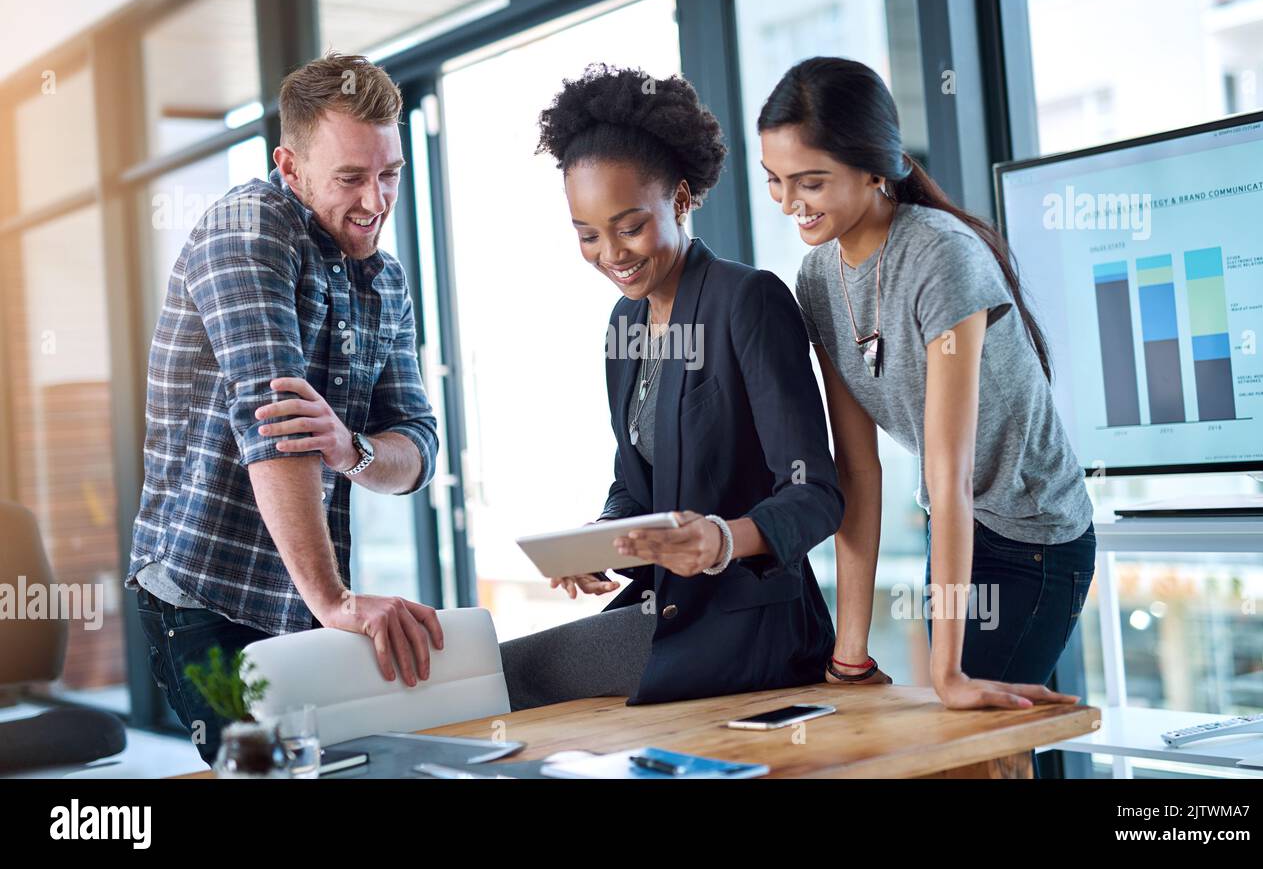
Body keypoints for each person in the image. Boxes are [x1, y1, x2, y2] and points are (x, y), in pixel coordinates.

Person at [127, 53, 443, 763]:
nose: (377, 200)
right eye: (351, 178)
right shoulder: (248, 230)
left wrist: (350, 448)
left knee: (347, 768)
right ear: (291, 167)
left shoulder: (383, 281)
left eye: (389, 173)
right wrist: (336, 600)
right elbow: (274, 428)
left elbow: (418, 448)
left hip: (302, 600)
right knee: (267, 771)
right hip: (203, 594)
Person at [499, 64, 844, 710]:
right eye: (588, 235)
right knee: (517, 677)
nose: (612, 252)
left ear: (681, 200)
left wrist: (719, 539)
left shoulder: (747, 300)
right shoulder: (624, 322)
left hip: (753, 622)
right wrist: (602, 539)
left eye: (629, 225)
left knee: (538, 687)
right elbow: (636, 484)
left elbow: (816, 494)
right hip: (672, 610)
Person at [757, 57, 1095, 711]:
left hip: (1035, 538)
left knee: (972, 738)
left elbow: (950, 471)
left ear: (875, 167)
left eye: (811, 181)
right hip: (959, 524)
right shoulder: (818, 279)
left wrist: (948, 674)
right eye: (775, 180)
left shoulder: (942, 254)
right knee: (964, 742)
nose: (790, 202)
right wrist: (849, 653)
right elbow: (858, 468)